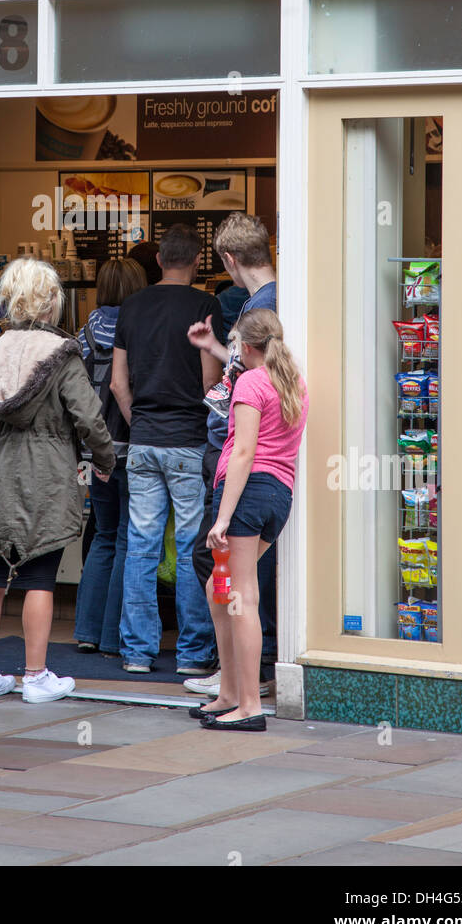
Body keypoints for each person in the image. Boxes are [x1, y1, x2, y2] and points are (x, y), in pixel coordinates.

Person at [0, 257, 116, 703]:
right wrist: (105, 459)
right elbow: (89, 417)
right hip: (47, 473)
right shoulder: (62, 354)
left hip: (0, 470)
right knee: (39, 576)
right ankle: (34, 677)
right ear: (51, 303)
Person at [110, 224, 225, 674]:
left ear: (158, 260)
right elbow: (211, 380)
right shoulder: (205, 304)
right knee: (191, 543)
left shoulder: (132, 306)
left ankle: (137, 652)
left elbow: (119, 382)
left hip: (144, 442)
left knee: (141, 545)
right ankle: (193, 655)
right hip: (189, 440)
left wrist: (140, 420)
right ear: (198, 261)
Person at [192, 308, 307, 731]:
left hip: (247, 493)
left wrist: (221, 519)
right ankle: (228, 692)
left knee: (241, 597)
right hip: (278, 495)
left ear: (246, 345)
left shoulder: (252, 382)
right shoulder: (291, 381)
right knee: (218, 588)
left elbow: (242, 452)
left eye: (236, 343)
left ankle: (248, 706)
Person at [185, 213, 279, 701]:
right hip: (263, 462)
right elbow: (261, 372)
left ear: (228, 259)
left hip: (245, 459)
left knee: (219, 569)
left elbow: (253, 389)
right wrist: (218, 349)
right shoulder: (274, 302)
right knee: (238, 577)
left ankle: (241, 688)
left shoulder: (257, 308)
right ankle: (237, 686)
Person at [74, 257, 148, 654]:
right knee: (125, 538)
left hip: (92, 449)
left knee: (103, 534)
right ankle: (111, 637)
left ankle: (86, 630)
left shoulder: (84, 331)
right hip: (129, 444)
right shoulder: (136, 328)